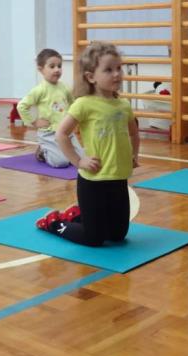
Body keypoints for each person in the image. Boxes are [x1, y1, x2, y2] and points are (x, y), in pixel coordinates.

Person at [38, 41, 140, 246]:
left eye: (118, 68)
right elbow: (62, 134)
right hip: (93, 181)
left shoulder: (123, 105)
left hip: (118, 179)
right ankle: (54, 223)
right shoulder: (84, 104)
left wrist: (134, 155)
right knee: (94, 238)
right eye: (109, 70)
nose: (116, 74)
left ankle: (78, 215)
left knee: (118, 235)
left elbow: (134, 134)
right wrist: (78, 161)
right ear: (91, 76)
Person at [16, 48, 84, 167]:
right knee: (61, 162)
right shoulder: (39, 90)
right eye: (52, 66)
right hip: (49, 134)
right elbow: (21, 106)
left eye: (59, 66)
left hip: (67, 133)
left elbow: (73, 104)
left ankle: (60, 150)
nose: (57, 70)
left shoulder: (64, 87)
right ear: (41, 69)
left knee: (81, 159)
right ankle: (43, 151)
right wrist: (34, 122)